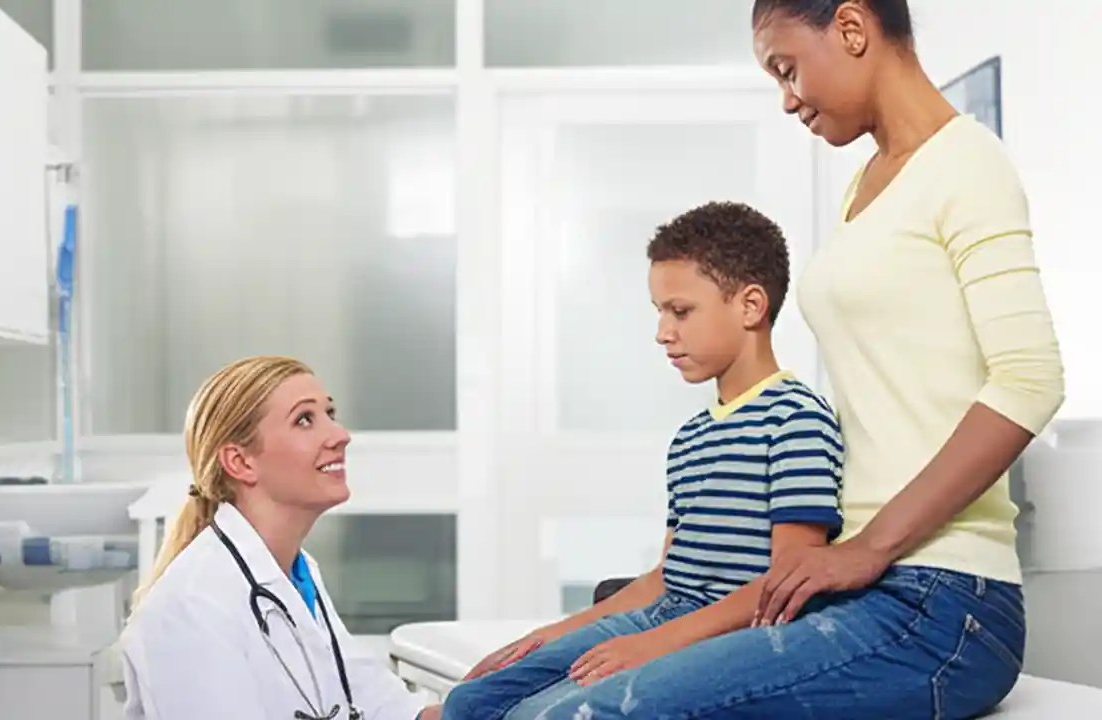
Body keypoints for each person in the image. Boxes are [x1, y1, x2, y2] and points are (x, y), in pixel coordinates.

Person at [450, 1, 1065, 718]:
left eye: (787, 68)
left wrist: (870, 547)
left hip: (941, 597)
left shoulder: (966, 164)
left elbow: (1031, 378)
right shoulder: (866, 187)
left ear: (852, 29)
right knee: (491, 707)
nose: (787, 98)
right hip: (857, 584)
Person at [442, 202, 846, 718]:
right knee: (469, 702)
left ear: (750, 306)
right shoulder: (692, 437)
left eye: (680, 311)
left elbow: (789, 583)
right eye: (659, 311)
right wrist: (549, 635)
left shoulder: (796, 419)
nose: (662, 332)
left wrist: (655, 644)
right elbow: (665, 577)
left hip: (725, 636)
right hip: (662, 614)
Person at [119, 355, 442, 720]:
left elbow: (371, 699)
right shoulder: (190, 608)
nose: (340, 435)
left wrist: (471, 705)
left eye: (330, 414)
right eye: (304, 420)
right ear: (240, 462)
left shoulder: (295, 575)